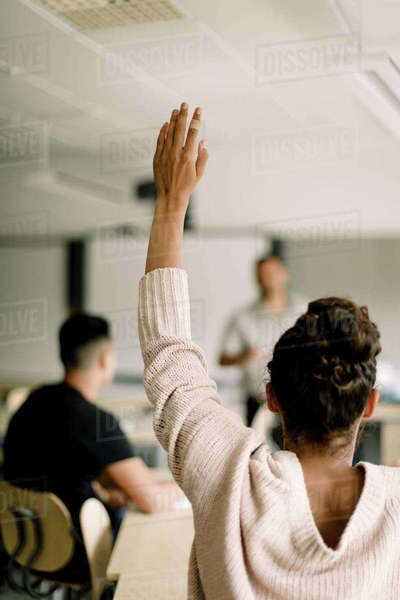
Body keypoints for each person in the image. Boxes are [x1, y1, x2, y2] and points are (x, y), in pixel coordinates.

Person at [136, 101, 400, 599]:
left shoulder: (225, 475)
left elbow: (168, 355)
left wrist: (171, 204)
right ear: (370, 403)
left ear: (273, 395)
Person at [3, 313, 186, 583]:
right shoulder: (98, 422)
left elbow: (57, 463)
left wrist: (101, 487)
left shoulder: (33, 400)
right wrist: (190, 486)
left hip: (21, 544)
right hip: (76, 552)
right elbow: (151, 500)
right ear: (105, 359)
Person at [218, 253, 307, 428]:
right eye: (264, 274)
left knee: (297, 453)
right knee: (259, 451)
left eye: (274, 273)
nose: (270, 279)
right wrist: (243, 356)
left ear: (285, 274)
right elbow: (222, 359)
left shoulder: (305, 310)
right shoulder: (243, 317)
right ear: (257, 279)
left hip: (299, 397)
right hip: (257, 399)